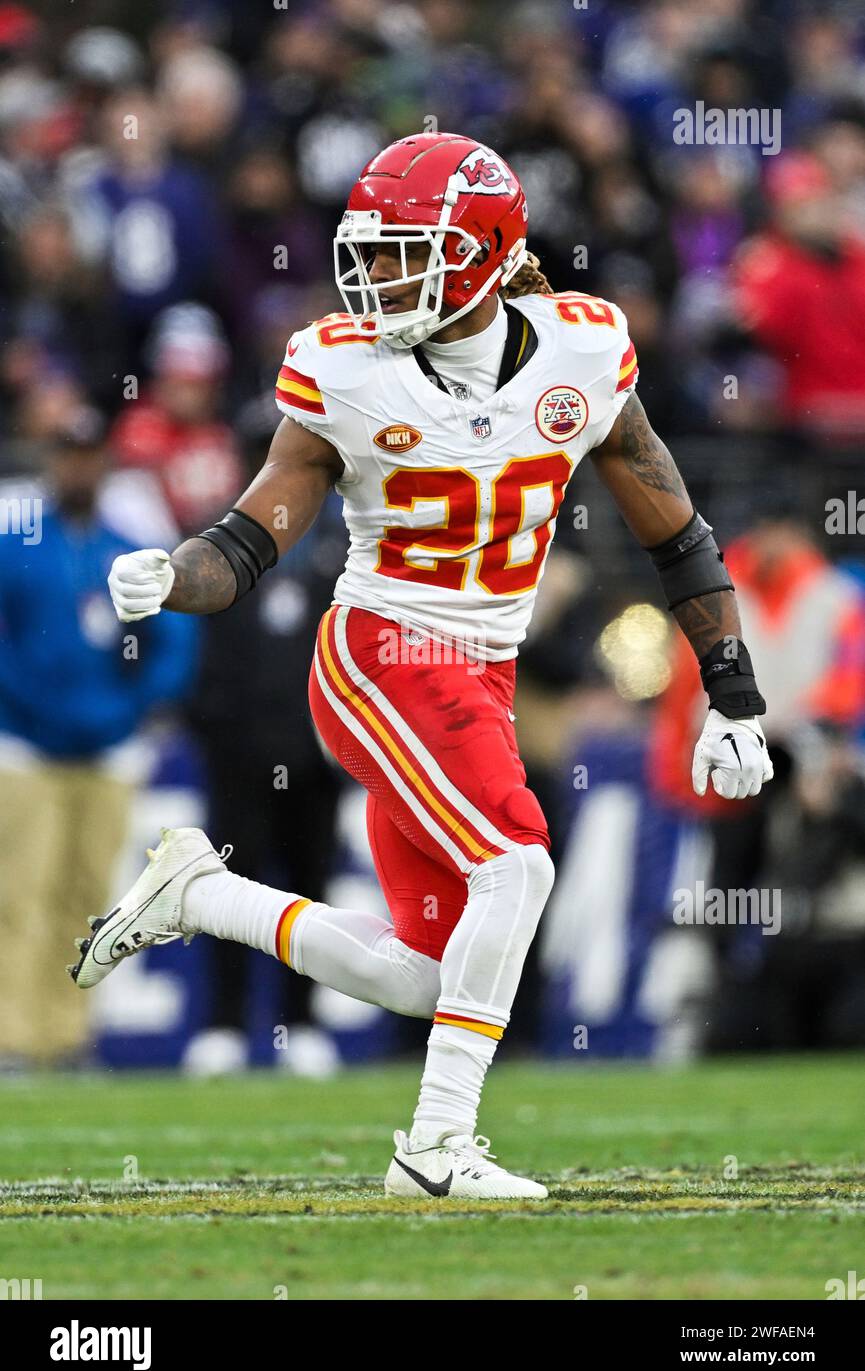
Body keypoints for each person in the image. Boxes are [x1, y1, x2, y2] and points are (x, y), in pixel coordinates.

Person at [71, 133, 773, 1197]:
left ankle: (203, 896)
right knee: (520, 863)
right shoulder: (342, 369)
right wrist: (173, 575)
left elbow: (672, 527)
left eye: (410, 252)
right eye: (373, 252)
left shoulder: (582, 350)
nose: (381, 278)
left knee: (436, 974)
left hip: (482, 671)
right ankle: (434, 1147)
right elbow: (250, 537)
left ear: (487, 253)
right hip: (382, 650)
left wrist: (731, 692)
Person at [0, 406, 195, 1065]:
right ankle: (14, 1035)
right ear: (51, 463)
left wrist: (133, 707)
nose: (76, 466)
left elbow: (175, 637)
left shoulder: (125, 547)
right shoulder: (18, 541)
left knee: (89, 896)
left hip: (109, 748)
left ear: (104, 464)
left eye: (87, 454)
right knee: (19, 891)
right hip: (25, 744)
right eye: (66, 454)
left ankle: (67, 1035)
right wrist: (27, 703)